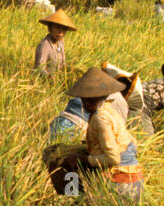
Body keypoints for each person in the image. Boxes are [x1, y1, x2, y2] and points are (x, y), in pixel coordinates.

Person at [59, 67, 145, 199]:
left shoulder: (100, 119)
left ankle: (71, 197)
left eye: (87, 99)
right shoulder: (108, 109)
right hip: (135, 180)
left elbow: (113, 158)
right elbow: (132, 142)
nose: (85, 102)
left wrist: (83, 160)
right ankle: (73, 196)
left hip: (122, 184)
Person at [34, 10, 76, 77]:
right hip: (46, 84)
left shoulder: (61, 43)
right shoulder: (45, 45)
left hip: (59, 80)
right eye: (57, 27)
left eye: (64, 29)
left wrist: (69, 69)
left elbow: (62, 65)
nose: (60, 32)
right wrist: (49, 77)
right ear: (50, 28)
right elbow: (39, 68)